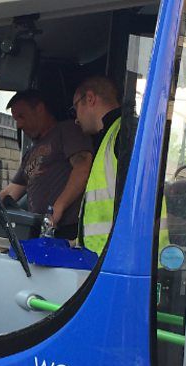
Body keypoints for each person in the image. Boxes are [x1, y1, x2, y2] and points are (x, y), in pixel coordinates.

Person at [0, 90, 93, 241]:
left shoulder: (67, 131)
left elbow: (82, 167)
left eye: (22, 116)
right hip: (39, 231)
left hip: (66, 231)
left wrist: (59, 207)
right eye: (16, 119)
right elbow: (12, 190)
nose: (19, 125)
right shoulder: (31, 153)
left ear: (40, 109)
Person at [71, 76, 133, 254]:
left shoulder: (123, 134)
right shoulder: (111, 135)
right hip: (107, 258)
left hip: (119, 260)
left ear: (90, 99)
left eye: (75, 107)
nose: (76, 118)